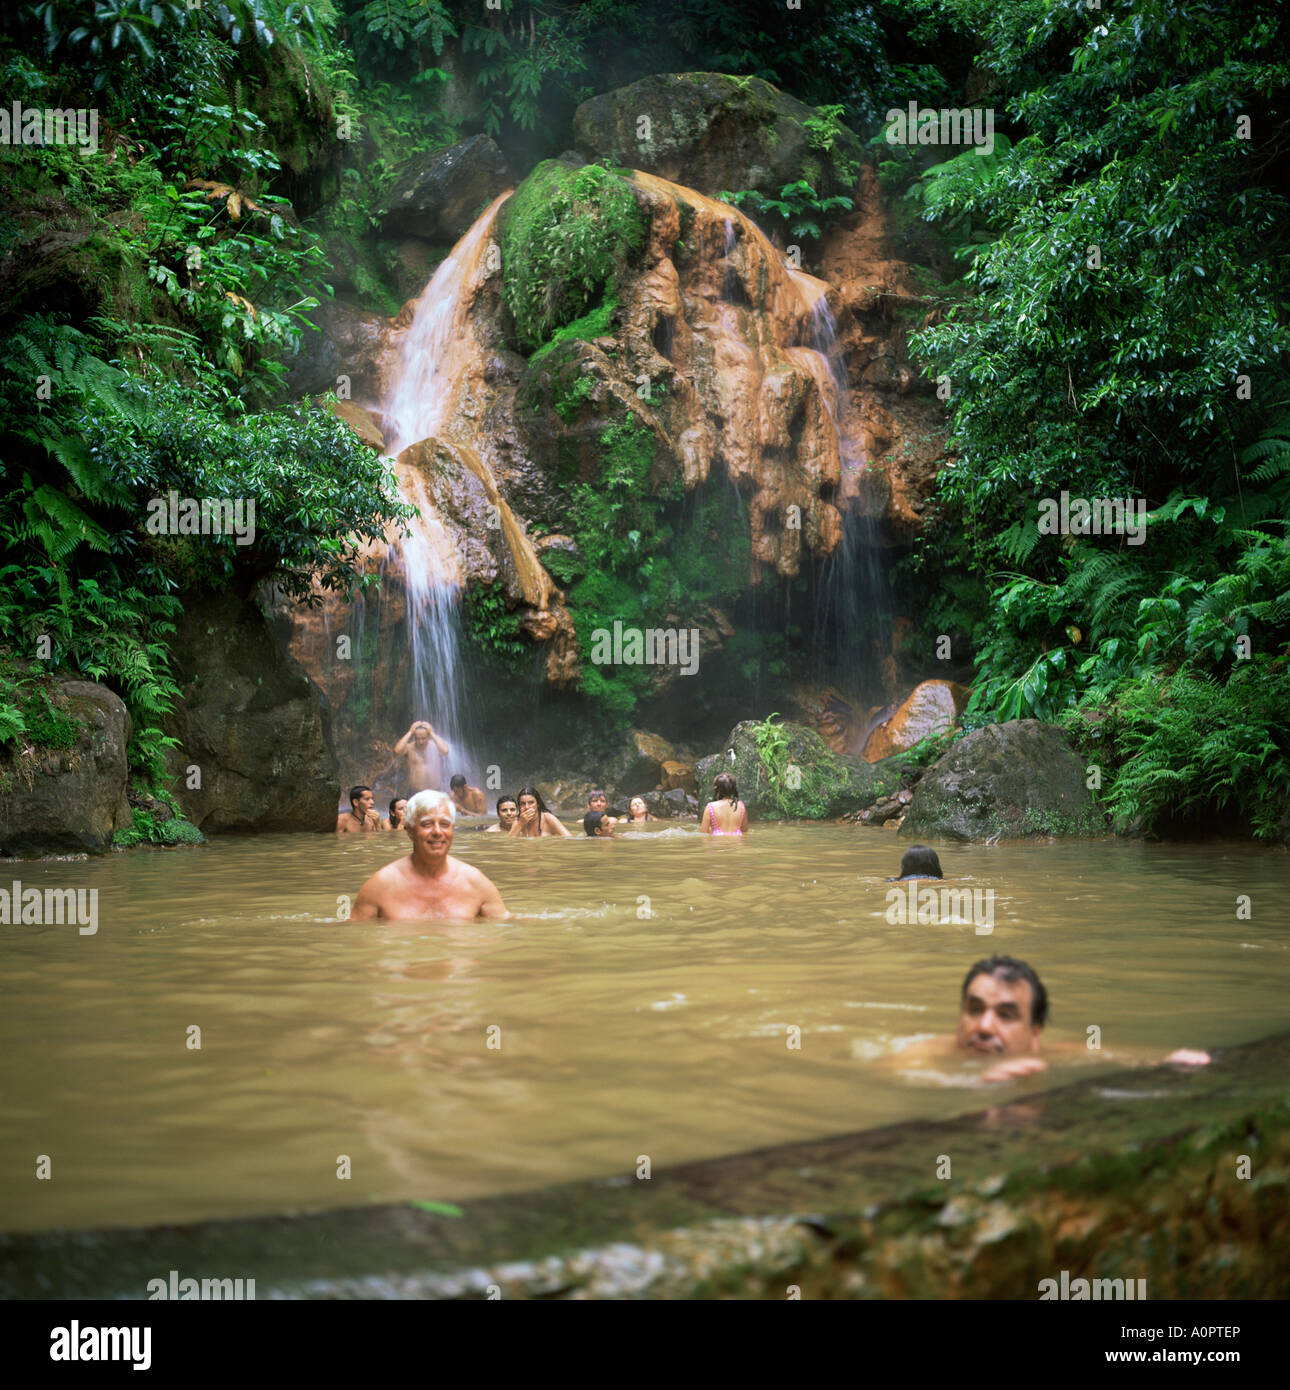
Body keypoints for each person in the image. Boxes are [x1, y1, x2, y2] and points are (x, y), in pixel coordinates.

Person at [886, 955, 1212, 1084]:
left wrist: (1168, 1063)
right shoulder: (925, 1055)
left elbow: (1125, 1058)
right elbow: (878, 1077)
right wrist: (977, 1083)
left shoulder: (1056, 1054)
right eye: (974, 1010)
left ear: (1035, 1034)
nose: (984, 1026)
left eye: (1006, 1015)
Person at [351, 790, 509, 921]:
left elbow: (507, 927)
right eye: (427, 824)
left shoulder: (475, 883)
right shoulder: (380, 886)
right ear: (410, 831)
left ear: (452, 830)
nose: (437, 832)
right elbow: (354, 941)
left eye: (445, 824)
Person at [394, 720, 449, 791]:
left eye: (423, 738)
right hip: (415, 791)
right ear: (414, 737)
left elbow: (445, 751)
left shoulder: (435, 747)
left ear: (428, 737)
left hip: (435, 791)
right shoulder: (410, 747)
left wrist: (432, 732)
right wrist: (410, 732)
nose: (421, 742)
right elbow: (397, 751)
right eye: (418, 738)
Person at [700, 772, 749, 836]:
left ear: (717, 789)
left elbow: (703, 833)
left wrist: (711, 829)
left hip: (717, 843)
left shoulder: (710, 807)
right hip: (737, 844)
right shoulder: (741, 806)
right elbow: (744, 831)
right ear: (733, 789)